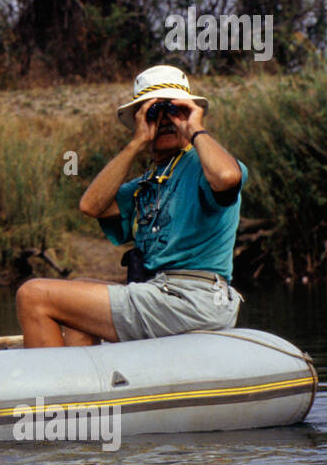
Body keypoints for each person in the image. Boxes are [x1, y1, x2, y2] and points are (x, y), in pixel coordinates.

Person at [15, 65, 247, 348]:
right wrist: (137, 142)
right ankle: (84, 387)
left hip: (192, 298)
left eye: (175, 112)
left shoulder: (205, 166)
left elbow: (227, 177)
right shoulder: (146, 183)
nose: (165, 121)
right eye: (154, 114)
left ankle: (50, 390)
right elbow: (91, 205)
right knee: (77, 289)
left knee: (33, 294)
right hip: (158, 293)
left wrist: (194, 127)